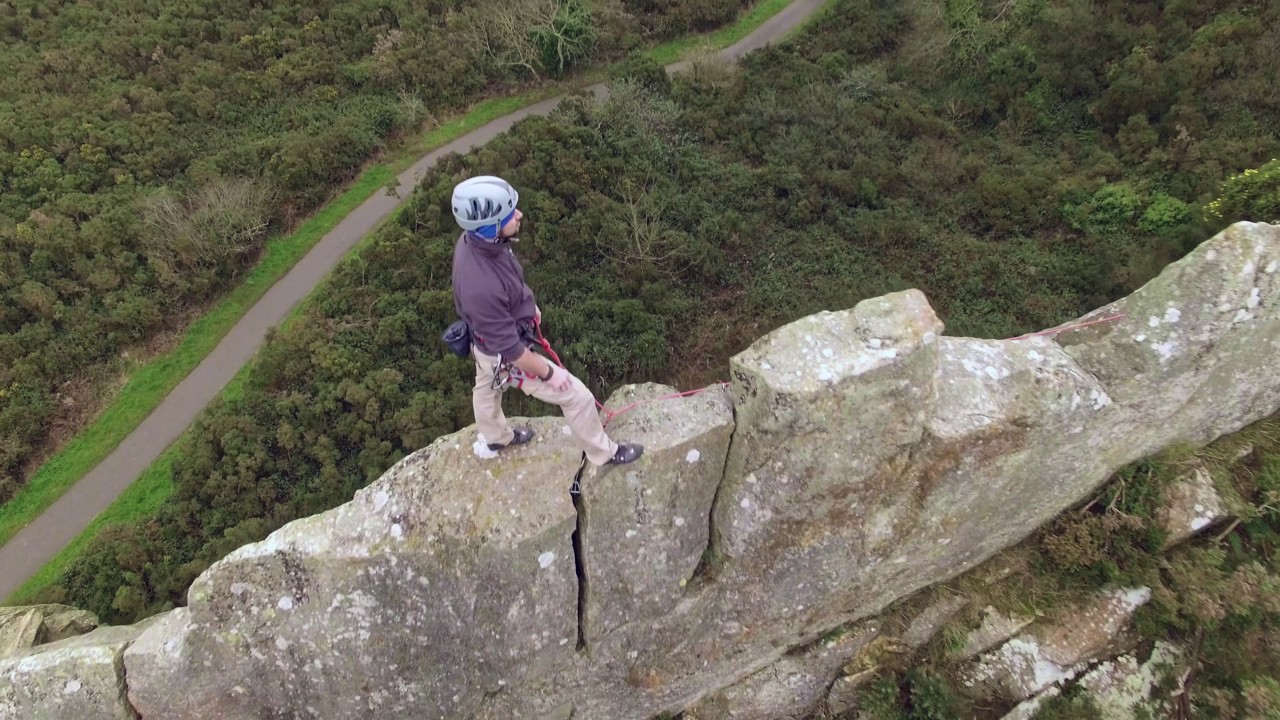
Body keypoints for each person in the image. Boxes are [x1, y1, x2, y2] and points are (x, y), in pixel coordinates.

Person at [449, 175, 644, 466]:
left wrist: (529, 307)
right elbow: (513, 351)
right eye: (510, 214)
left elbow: (509, 282)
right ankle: (604, 453)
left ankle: (495, 437)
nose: (519, 215)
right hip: (504, 355)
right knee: (576, 396)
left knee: (486, 388)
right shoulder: (481, 287)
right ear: (490, 227)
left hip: (486, 346)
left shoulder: (476, 243)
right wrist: (551, 374)